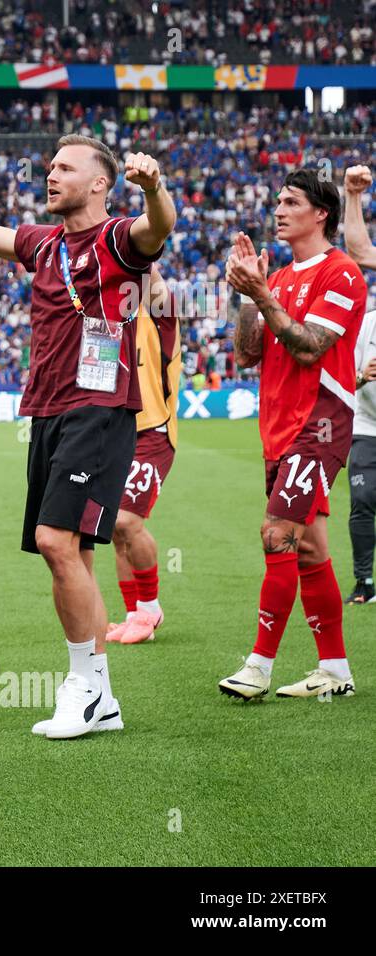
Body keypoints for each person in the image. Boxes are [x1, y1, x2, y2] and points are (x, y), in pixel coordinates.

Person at [0, 133, 175, 740]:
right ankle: (100, 696)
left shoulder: (118, 236)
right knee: (72, 554)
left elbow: (158, 229)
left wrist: (155, 188)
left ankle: (83, 685)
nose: (50, 176)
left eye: (64, 168)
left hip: (99, 409)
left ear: (101, 183)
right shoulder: (44, 243)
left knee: (55, 540)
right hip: (50, 409)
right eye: (49, 166)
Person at [219, 169, 364, 700]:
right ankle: (336, 672)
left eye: (291, 201)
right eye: (277, 200)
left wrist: (261, 291)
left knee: (276, 534)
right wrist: (248, 294)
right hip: (279, 425)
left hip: (319, 421)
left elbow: (308, 347)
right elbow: (247, 353)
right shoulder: (277, 278)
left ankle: (257, 667)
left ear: (320, 213)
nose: (278, 209)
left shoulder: (342, 273)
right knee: (307, 550)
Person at [107, 264, 182, 644]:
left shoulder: (158, 316)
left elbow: (157, 290)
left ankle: (150, 607)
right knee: (115, 532)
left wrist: (142, 256)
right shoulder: (104, 316)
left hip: (153, 431)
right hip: (114, 435)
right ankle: (133, 613)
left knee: (126, 523)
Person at [340, 164, 376, 604]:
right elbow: (360, 248)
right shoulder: (367, 324)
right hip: (366, 423)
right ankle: (364, 581)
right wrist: (351, 194)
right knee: (363, 502)